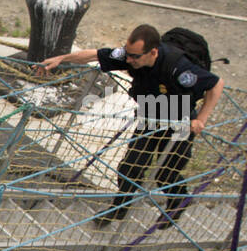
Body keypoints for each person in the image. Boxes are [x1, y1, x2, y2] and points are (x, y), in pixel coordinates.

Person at [37, 24, 223, 226]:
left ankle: (177, 202)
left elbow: (216, 84)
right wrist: (61, 59)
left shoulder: (179, 67)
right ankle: (119, 209)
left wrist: (201, 119)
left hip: (180, 124)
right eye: (128, 55)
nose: (128, 60)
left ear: (153, 52)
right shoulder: (130, 56)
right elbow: (95, 55)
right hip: (149, 119)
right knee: (129, 168)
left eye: (135, 57)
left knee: (165, 174)